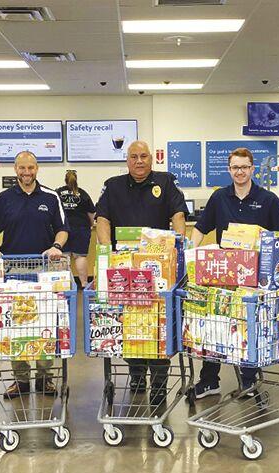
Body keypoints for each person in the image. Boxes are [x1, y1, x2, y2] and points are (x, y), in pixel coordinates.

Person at [190, 148, 279, 399]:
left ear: (252, 169)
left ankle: (249, 379)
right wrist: (190, 256)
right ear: (229, 170)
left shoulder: (268, 199)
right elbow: (201, 228)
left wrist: (265, 244)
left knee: (249, 325)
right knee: (216, 325)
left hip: (255, 277)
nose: (240, 172)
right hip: (223, 276)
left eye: (244, 167)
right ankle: (209, 380)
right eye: (235, 167)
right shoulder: (219, 198)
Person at [95, 140, 187, 406]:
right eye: (134, 156)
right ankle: (136, 373)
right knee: (131, 322)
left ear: (151, 159)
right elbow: (102, 219)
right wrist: (106, 253)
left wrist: (176, 248)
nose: (139, 161)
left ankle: (159, 380)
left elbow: (178, 215)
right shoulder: (113, 186)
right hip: (126, 269)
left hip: (159, 269)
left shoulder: (166, 182)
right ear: (127, 160)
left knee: (158, 324)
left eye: (144, 156)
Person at [0, 151, 68, 399]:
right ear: (15, 169)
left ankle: (44, 379)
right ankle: (20, 380)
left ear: (37, 168)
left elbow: (63, 229)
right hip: (12, 272)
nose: (27, 172)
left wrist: (57, 246)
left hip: (44, 272)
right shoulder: (4, 198)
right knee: (16, 326)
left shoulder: (51, 197)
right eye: (22, 168)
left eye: (31, 167)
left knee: (45, 325)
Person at [55, 170, 96, 287]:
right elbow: (91, 213)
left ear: (65, 179)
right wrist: (91, 224)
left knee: (63, 256)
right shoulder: (82, 193)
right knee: (80, 256)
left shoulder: (57, 192)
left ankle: (64, 284)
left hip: (62, 229)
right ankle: (84, 283)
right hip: (81, 228)